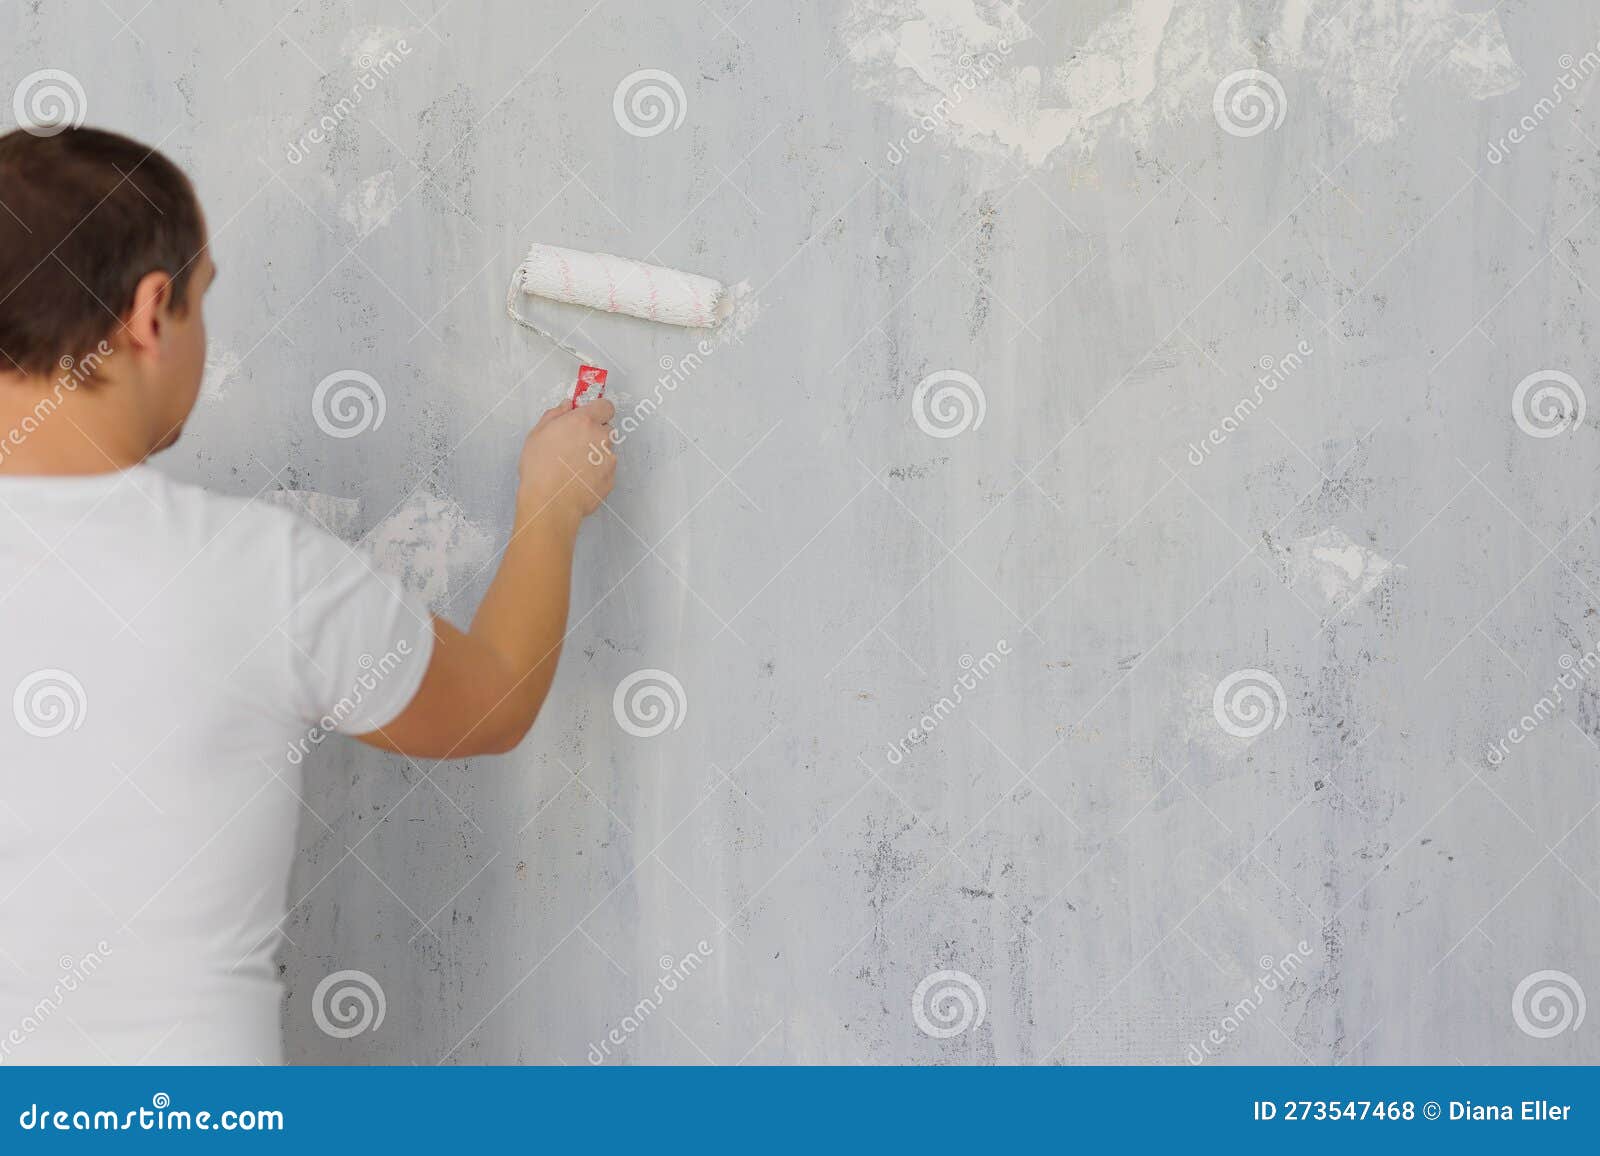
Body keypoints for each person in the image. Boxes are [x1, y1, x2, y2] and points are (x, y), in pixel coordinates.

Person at [0, 126, 616, 1063]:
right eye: (202, 301)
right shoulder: (256, 569)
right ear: (150, 312)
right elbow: (485, 707)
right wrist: (554, 504)